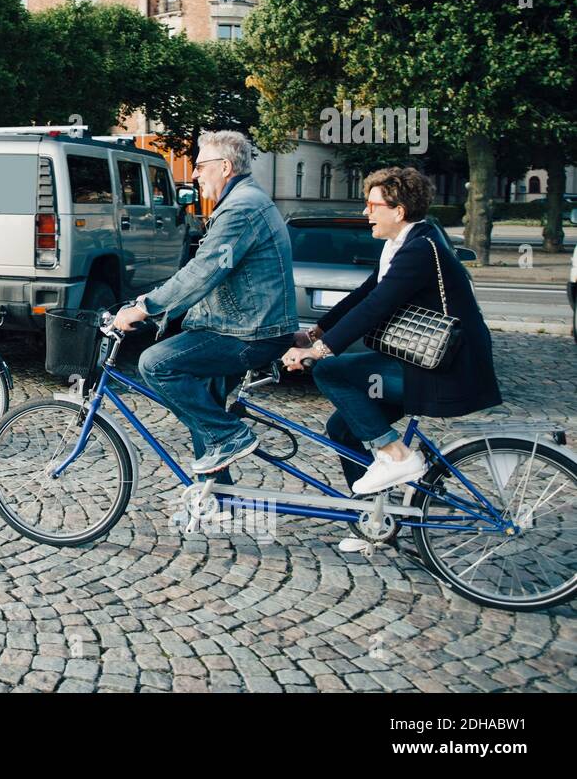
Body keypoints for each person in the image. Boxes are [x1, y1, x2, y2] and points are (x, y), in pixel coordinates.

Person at [281, 167, 501, 551]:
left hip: (441, 370)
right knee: (345, 429)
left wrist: (317, 352)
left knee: (331, 370)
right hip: (422, 361)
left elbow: (376, 308)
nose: (366, 213)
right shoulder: (404, 242)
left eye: (373, 205)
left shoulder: (420, 250)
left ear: (398, 210)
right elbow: (365, 295)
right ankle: (372, 522)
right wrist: (313, 332)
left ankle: (395, 455)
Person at [113, 131, 298, 480]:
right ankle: (216, 492)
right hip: (245, 325)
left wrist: (145, 308)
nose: (195, 175)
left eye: (200, 166)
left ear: (225, 167)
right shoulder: (245, 200)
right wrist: (147, 302)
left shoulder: (242, 208)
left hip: (250, 332)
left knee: (156, 363)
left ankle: (230, 434)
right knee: (205, 406)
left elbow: (204, 271)